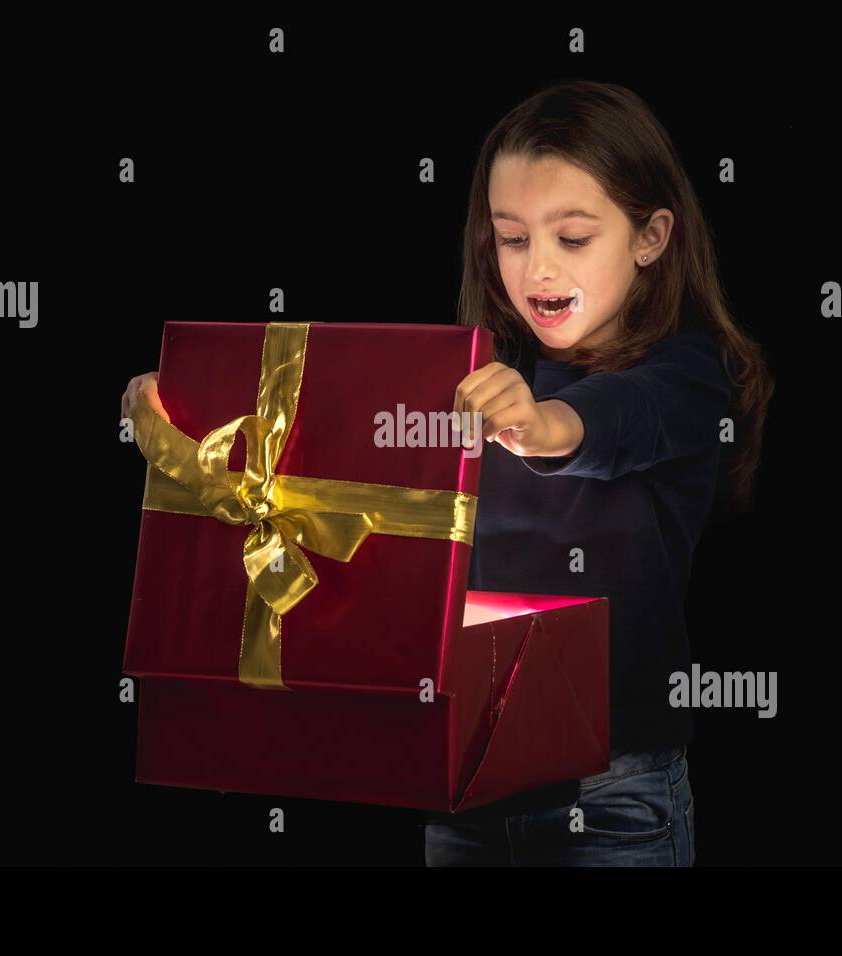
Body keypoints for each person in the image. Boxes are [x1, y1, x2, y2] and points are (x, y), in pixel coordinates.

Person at [121, 79, 773, 867]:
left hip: (612, 798)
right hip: (462, 785)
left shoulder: (687, 376)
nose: (537, 268)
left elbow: (618, 418)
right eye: (511, 237)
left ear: (650, 235)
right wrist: (185, 433)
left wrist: (541, 424)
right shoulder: (470, 377)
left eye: (572, 237)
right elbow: (338, 477)